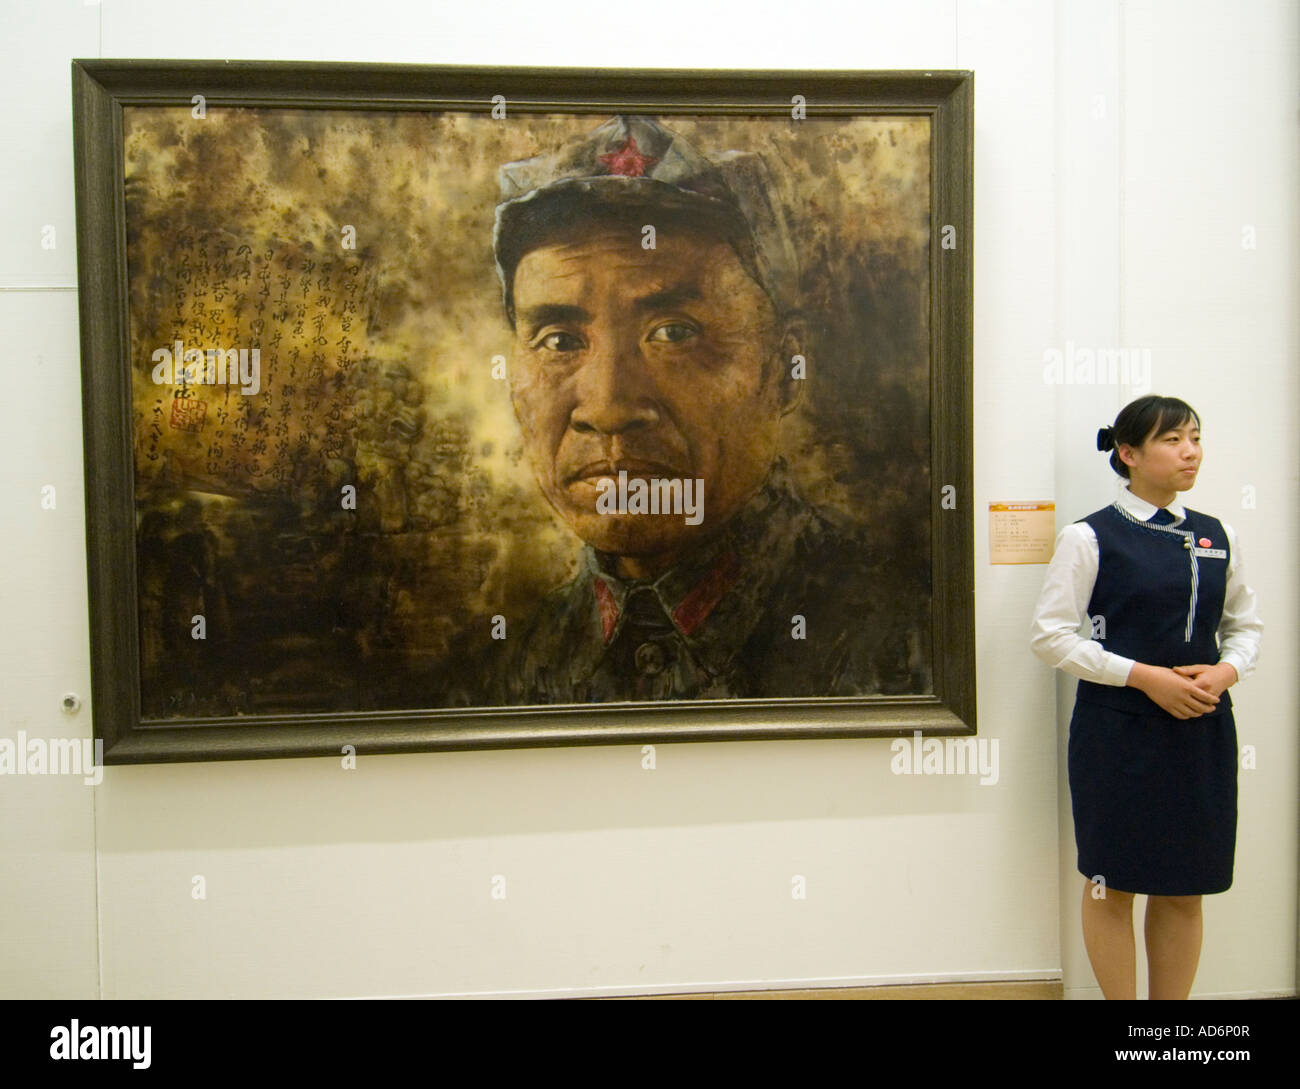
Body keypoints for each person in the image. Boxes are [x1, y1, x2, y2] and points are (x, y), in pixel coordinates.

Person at [482, 115, 929, 704]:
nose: (610, 407)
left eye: (673, 333)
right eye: (560, 341)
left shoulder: (903, 644)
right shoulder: (508, 670)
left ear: (785, 369)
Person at [1030, 395, 1262, 999]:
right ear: (1129, 454)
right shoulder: (1088, 536)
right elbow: (1050, 636)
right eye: (1173, 440)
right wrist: (1144, 676)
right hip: (1118, 730)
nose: (1191, 451)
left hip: (1200, 728)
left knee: (1186, 884)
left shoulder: (1218, 535)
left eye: (1196, 437)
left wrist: (1227, 671)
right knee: (1113, 881)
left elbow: (1245, 627)